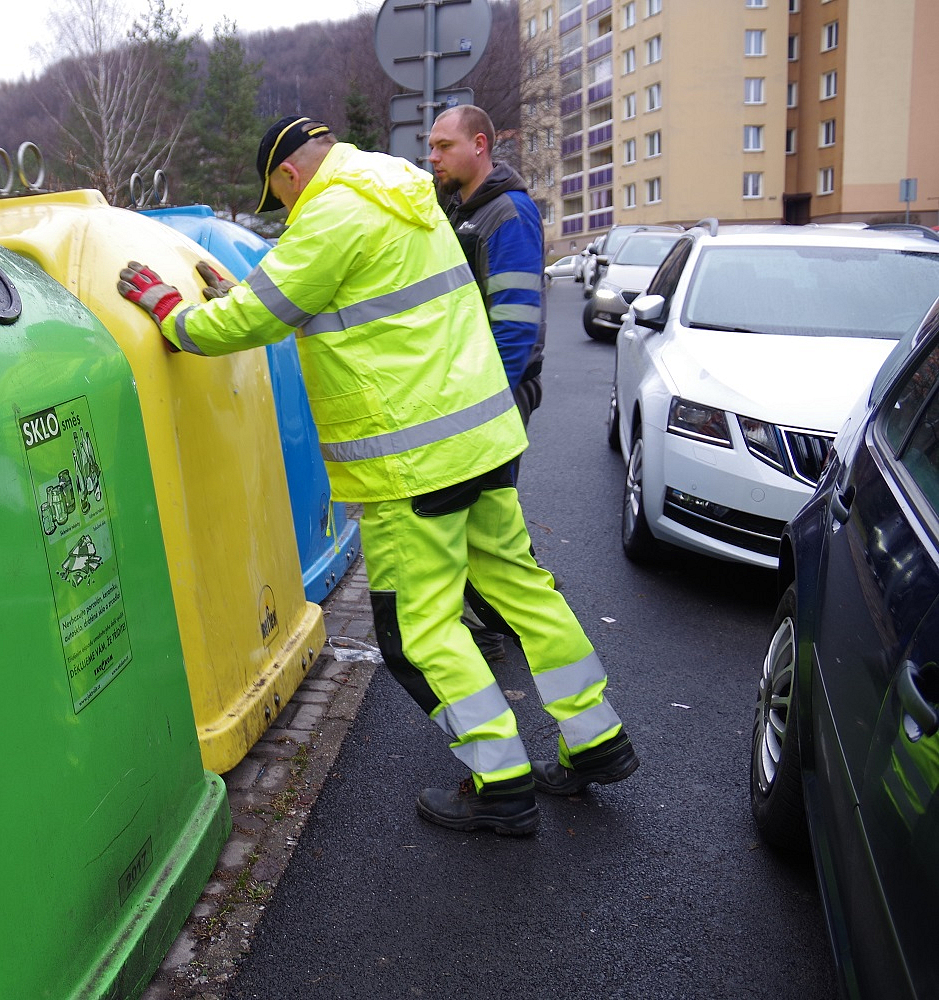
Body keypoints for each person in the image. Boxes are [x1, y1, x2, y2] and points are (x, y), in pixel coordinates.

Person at [116, 115, 637, 837]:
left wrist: (175, 316)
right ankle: (597, 739)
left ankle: (502, 784)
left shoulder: (329, 212)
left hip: (411, 462)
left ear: (290, 175)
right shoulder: (399, 184)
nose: (286, 215)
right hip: (480, 438)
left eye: (280, 201)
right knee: (523, 591)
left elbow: (257, 319)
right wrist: (253, 287)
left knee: (418, 633)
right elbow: (338, 297)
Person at [428, 104, 548, 665]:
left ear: (480, 145)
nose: (433, 157)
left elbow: (516, 326)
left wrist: (486, 406)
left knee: (487, 520)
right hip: (474, 395)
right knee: (483, 517)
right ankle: (505, 620)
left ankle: (506, 627)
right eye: (430, 146)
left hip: (495, 396)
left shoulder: (507, 214)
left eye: (443, 146)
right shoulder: (464, 209)